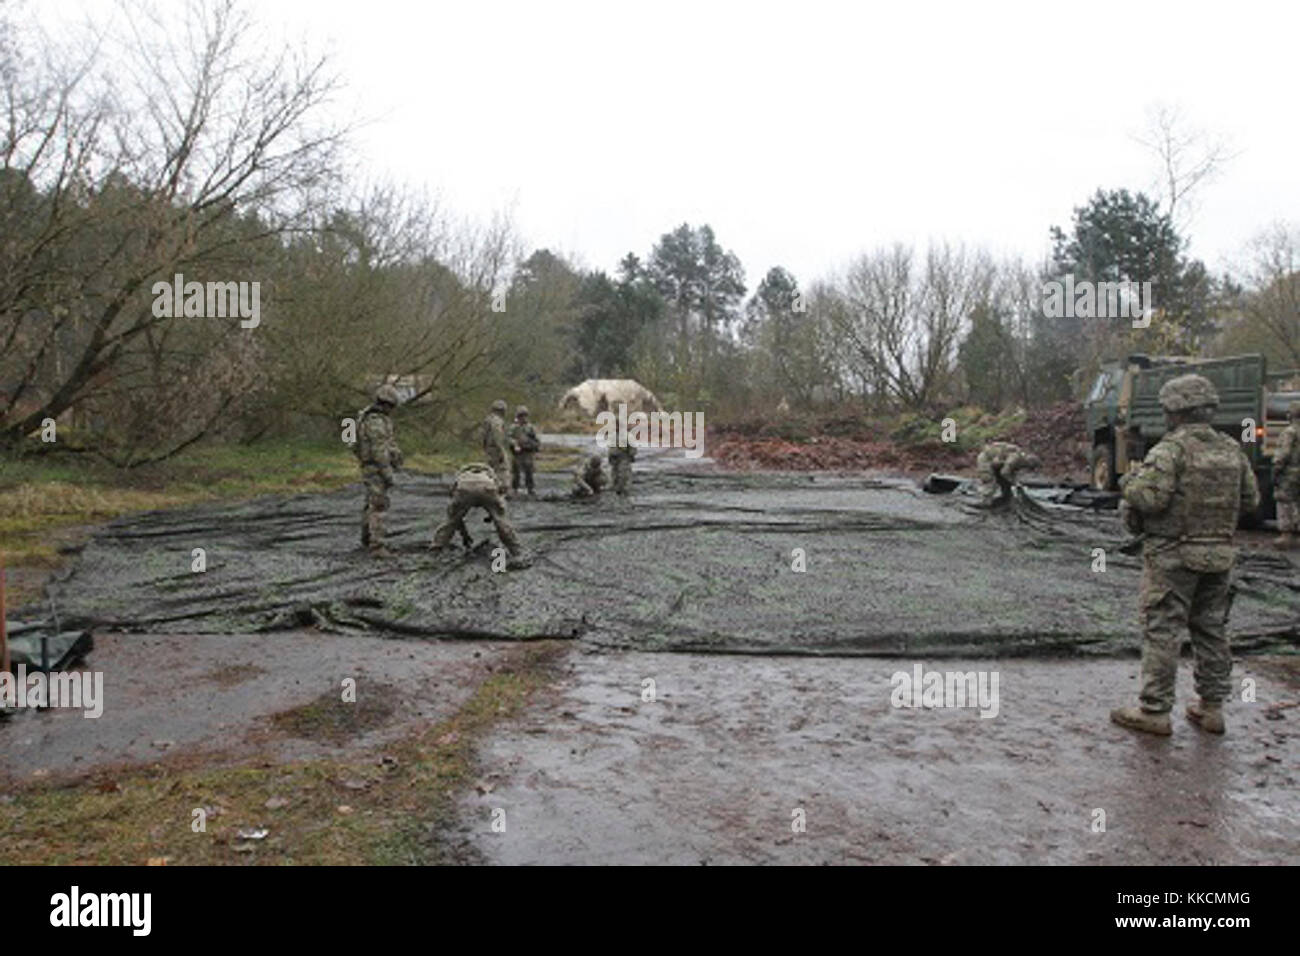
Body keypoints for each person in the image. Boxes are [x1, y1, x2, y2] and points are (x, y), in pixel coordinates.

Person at [1111, 374, 1260, 736]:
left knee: (1163, 630)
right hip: (1219, 556)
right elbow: (1251, 501)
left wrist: (1127, 482)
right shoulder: (1230, 450)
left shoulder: (1170, 450)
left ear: (1174, 410)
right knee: (1211, 630)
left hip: (1173, 556)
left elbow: (1150, 499)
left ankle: (1155, 711)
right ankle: (1212, 708)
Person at [430, 463, 529, 568]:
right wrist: (494, 515)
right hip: (488, 487)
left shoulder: (461, 474)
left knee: (450, 521)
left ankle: (435, 551)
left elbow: (455, 517)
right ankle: (517, 551)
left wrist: (465, 536)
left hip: (464, 488)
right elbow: (499, 498)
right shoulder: (490, 473)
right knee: (500, 520)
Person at [354, 383, 404, 555]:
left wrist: (396, 455)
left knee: (370, 503)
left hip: (371, 466)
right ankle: (377, 546)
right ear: (387, 404)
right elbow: (379, 450)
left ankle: (367, 540)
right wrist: (388, 473)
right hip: (375, 468)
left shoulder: (370, 418)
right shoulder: (375, 421)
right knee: (379, 505)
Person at [974, 441, 1041, 506]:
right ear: (1028, 463)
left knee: (1006, 482)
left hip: (996, 463)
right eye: (1030, 468)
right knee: (989, 480)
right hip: (985, 460)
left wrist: (1013, 483)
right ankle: (985, 502)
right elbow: (1004, 472)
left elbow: (1010, 472)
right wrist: (1015, 483)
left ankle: (1005, 498)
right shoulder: (1015, 458)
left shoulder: (1019, 461)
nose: (1027, 470)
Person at [1273, 401, 1300, 551]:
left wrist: (1276, 469)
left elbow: (1284, 454)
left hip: (1290, 473)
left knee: (1285, 501)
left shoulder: (1289, 432)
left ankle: (1286, 535)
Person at [509, 405, 541, 496]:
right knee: (516, 472)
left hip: (528, 452)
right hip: (517, 453)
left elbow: (537, 440)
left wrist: (535, 447)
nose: (523, 418)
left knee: (529, 471)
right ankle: (515, 489)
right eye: (521, 416)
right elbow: (508, 438)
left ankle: (530, 489)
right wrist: (514, 444)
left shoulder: (531, 427)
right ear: (518, 416)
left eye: (525, 415)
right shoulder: (513, 427)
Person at [482, 399, 511, 495]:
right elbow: (497, 437)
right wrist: (501, 451)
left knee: (490, 470)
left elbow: (483, 436)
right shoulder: (497, 421)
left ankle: (490, 490)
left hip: (489, 449)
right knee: (503, 469)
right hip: (496, 449)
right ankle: (502, 491)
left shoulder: (488, 419)